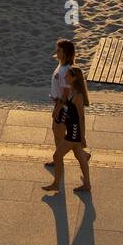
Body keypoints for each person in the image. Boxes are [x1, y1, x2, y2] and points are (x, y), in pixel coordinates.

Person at [43, 67, 91, 193]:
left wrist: (82, 136)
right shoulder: (71, 92)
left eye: (68, 76)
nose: (65, 78)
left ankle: (56, 184)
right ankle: (87, 184)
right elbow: (67, 108)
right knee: (80, 157)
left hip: (74, 132)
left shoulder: (78, 96)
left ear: (74, 78)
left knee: (57, 155)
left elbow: (81, 117)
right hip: (71, 130)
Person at [44, 39, 75, 170]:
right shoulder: (61, 65)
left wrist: (57, 109)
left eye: (59, 50)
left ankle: (77, 155)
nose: (56, 52)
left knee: (60, 134)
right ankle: (58, 158)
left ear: (65, 53)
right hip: (59, 105)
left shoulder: (65, 70)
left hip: (63, 107)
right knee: (57, 133)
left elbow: (66, 93)